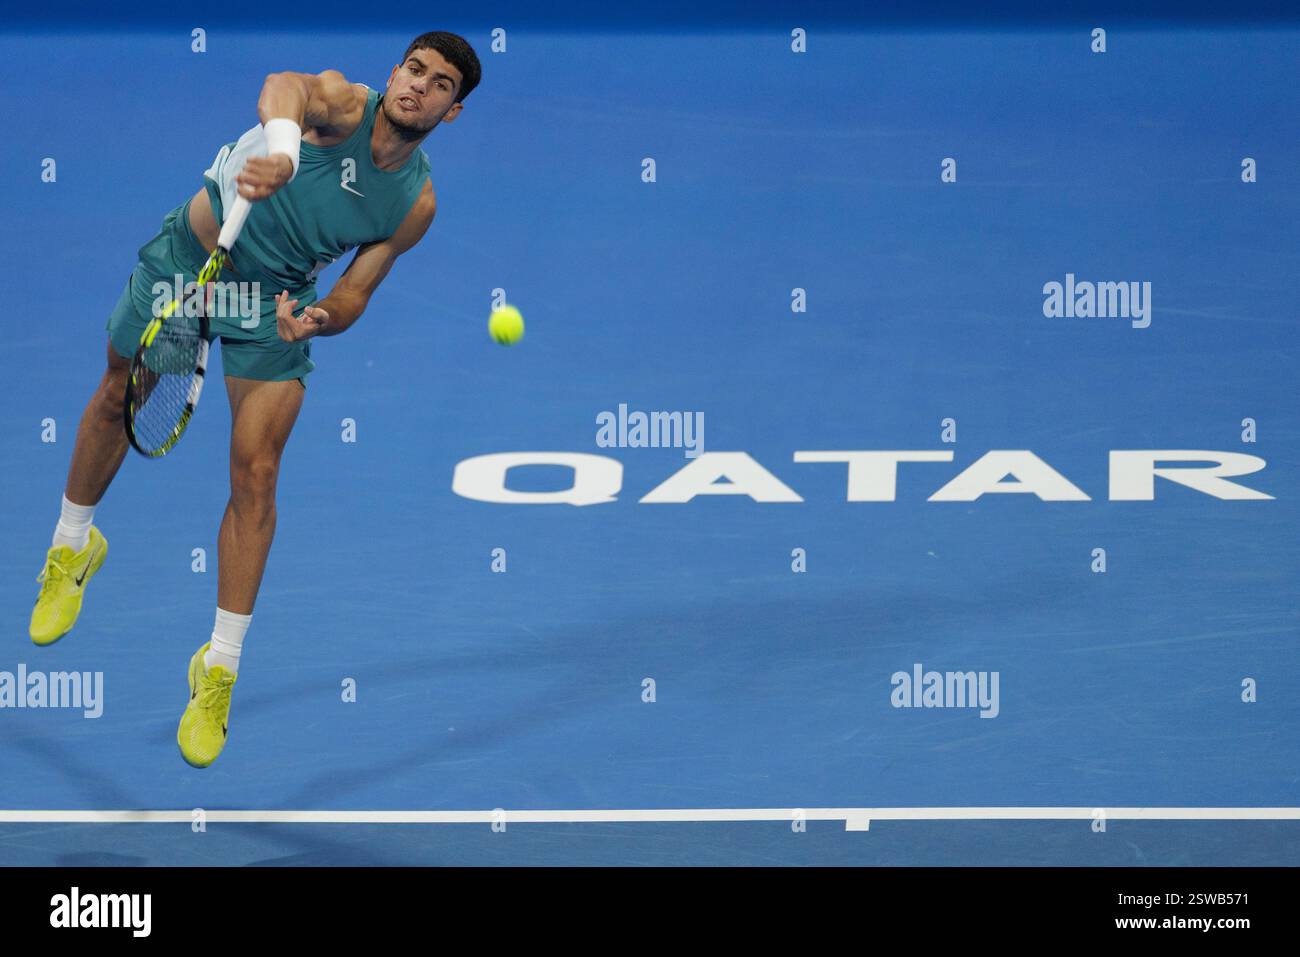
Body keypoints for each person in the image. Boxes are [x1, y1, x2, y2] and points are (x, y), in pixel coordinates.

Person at [27, 31, 481, 768]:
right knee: (123, 395)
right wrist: (284, 147)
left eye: (439, 86)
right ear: (395, 70)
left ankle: (220, 666)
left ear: (451, 112)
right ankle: (72, 546)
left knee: (258, 473)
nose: (418, 87)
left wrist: (320, 318)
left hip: (273, 301)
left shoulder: (416, 202)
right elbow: (283, 85)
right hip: (192, 264)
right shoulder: (339, 103)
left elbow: (356, 291)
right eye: (414, 69)